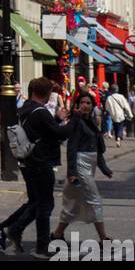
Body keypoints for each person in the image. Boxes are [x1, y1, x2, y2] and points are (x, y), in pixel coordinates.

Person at [0, 76, 73, 259]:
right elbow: (56, 134)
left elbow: (40, 129)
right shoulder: (41, 112)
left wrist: (56, 118)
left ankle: (10, 228)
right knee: (45, 204)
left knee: (36, 201)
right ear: (46, 94)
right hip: (41, 161)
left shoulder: (25, 109)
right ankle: (35, 243)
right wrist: (70, 124)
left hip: (28, 161)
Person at [52, 88, 113, 245]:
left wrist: (104, 168)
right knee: (94, 199)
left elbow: (97, 149)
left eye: (88, 103)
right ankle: (104, 238)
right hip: (80, 165)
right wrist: (72, 172)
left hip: (89, 165)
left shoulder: (91, 121)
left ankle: (57, 234)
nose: (86, 105)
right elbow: (72, 148)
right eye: (82, 103)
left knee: (73, 203)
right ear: (77, 105)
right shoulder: (76, 122)